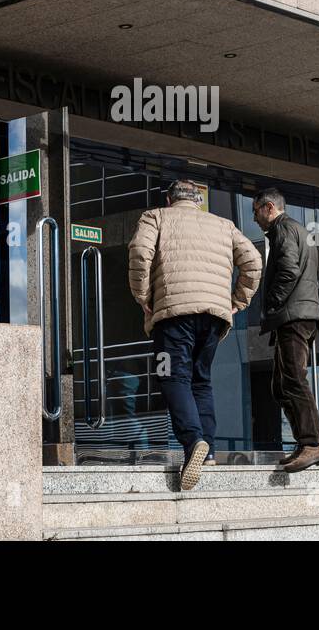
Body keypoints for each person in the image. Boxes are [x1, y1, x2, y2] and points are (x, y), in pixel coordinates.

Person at [129, 179, 262, 490]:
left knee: (171, 378)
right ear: (198, 200)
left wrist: (143, 297)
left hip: (174, 314)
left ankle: (193, 443)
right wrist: (236, 303)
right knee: (200, 380)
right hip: (214, 318)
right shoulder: (224, 224)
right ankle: (210, 450)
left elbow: (139, 252)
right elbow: (253, 261)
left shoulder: (156, 217)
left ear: (168, 199)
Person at [253, 188, 319, 472]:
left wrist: (272, 304)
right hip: (300, 313)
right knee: (281, 385)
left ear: (269, 207)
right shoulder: (296, 230)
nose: (255, 218)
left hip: (293, 315)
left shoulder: (284, 229)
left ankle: (313, 443)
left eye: (256, 211)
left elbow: (288, 271)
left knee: (294, 379)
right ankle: (305, 442)